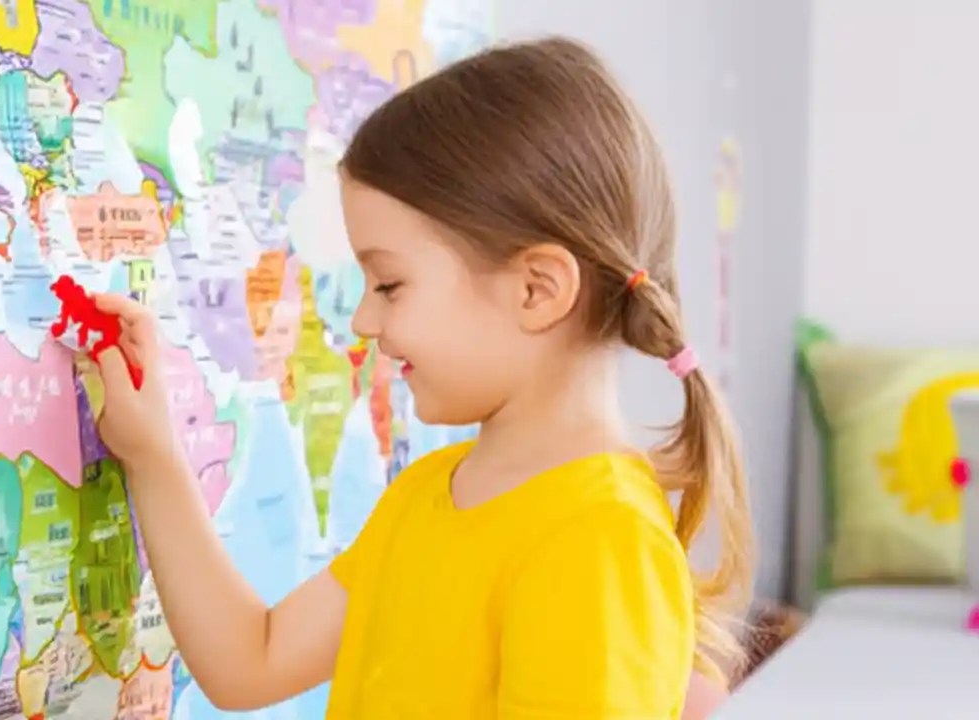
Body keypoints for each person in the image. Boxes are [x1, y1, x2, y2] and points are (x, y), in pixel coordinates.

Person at [91, 35, 754, 719]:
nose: (364, 322)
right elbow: (249, 661)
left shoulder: (601, 540)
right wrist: (153, 457)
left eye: (390, 283)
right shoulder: (424, 499)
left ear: (537, 290)